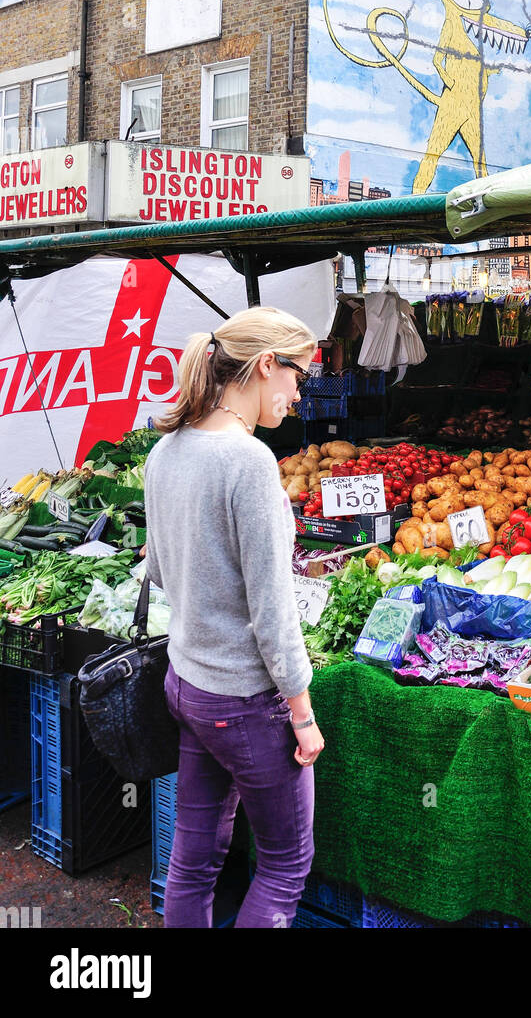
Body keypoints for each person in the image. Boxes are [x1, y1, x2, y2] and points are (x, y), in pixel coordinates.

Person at [144, 305, 323, 929]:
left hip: (188, 685)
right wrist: (302, 718)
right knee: (283, 867)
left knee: (191, 864)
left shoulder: (165, 449)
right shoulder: (248, 463)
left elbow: (160, 572)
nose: (299, 394)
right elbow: (274, 617)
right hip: (247, 702)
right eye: (297, 376)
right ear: (265, 365)